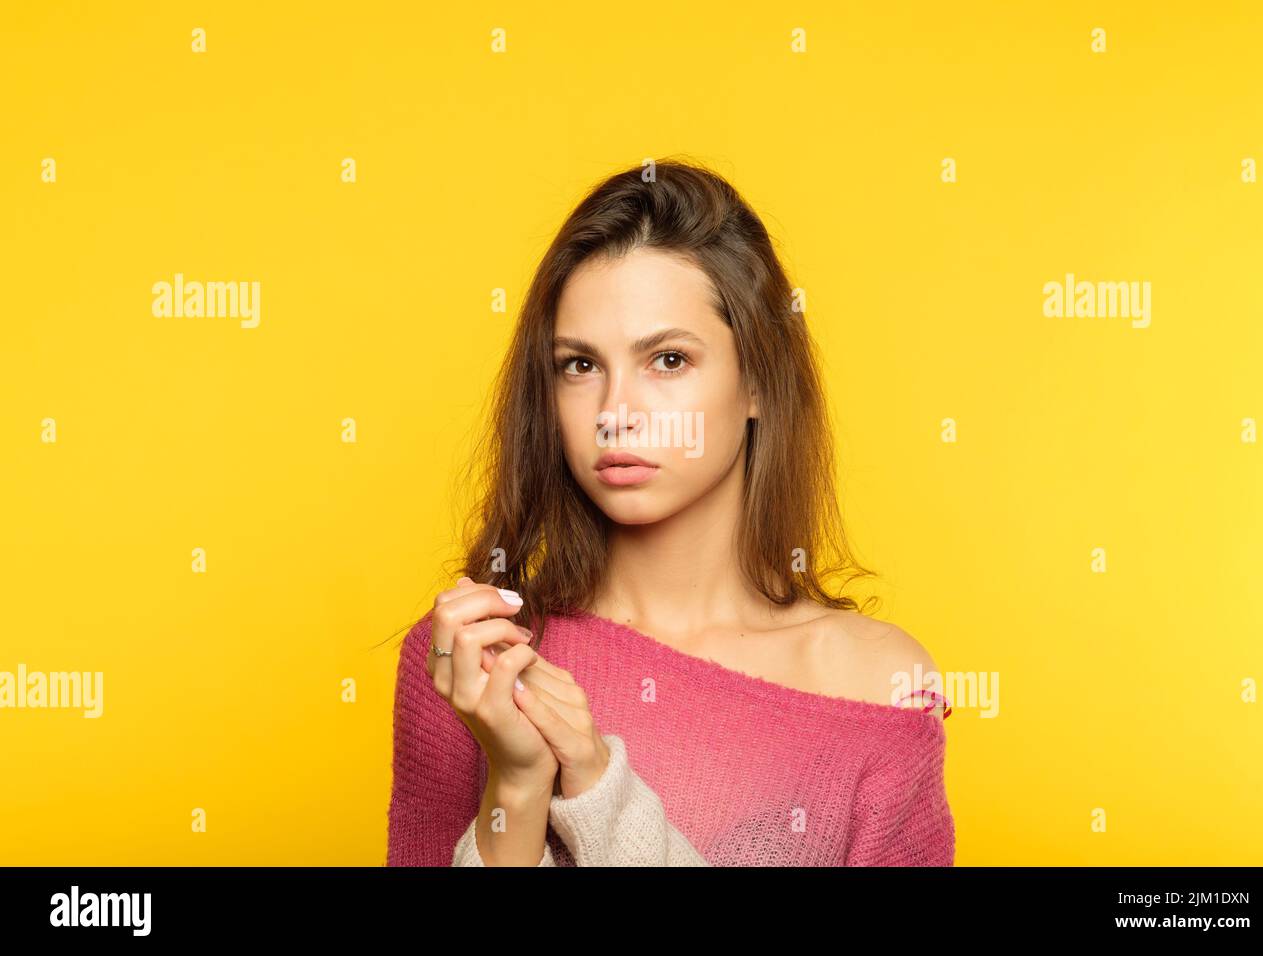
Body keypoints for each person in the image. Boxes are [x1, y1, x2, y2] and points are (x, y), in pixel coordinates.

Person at [386, 158, 956, 866]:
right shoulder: (473, 659)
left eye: (668, 360)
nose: (615, 415)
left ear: (758, 382)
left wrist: (597, 788)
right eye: (580, 365)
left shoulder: (878, 687)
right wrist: (519, 784)